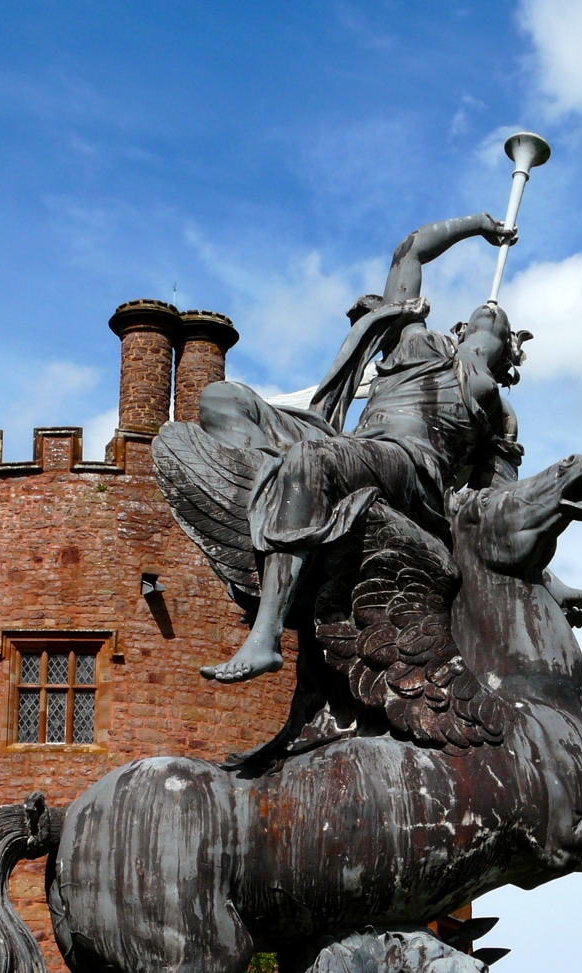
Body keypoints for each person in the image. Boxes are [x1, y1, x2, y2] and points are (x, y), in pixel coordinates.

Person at [199, 213, 527, 683]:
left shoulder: (499, 414)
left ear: (511, 354)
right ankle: (273, 488)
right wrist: (479, 225)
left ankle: (265, 635)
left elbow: (497, 514)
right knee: (221, 397)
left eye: (500, 325)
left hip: (412, 470)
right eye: (481, 313)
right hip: (356, 446)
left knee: (313, 459)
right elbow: (410, 252)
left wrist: (553, 585)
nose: (490, 312)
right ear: (460, 326)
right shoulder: (414, 335)